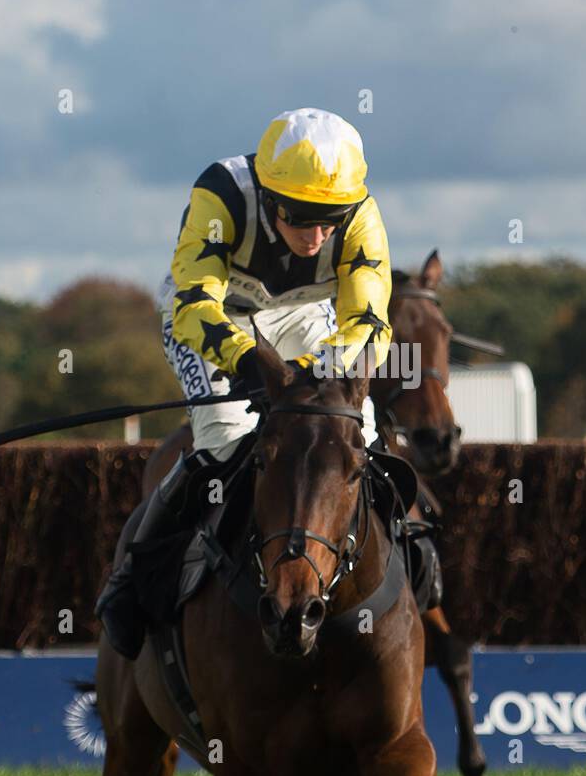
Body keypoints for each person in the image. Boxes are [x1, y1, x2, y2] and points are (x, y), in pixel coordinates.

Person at [98, 107, 393, 658]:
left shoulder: (363, 215)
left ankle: (415, 562)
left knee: (359, 440)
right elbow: (193, 303)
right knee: (224, 441)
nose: (318, 235)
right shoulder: (222, 193)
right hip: (219, 317)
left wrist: (324, 371)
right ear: (270, 196)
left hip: (308, 319)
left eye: (331, 219)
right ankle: (133, 578)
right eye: (303, 218)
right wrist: (249, 364)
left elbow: (369, 323)